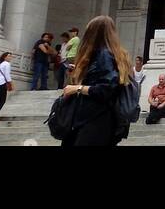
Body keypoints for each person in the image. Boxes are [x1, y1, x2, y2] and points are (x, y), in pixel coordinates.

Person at [60, 14, 132, 147]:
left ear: (94, 33)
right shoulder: (110, 54)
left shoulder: (103, 54)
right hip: (98, 119)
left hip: (94, 120)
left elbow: (105, 89)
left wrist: (77, 88)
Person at [133, 57, 147, 122]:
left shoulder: (144, 69)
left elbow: (144, 78)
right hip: (134, 84)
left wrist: (139, 84)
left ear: (141, 62)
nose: (136, 62)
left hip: (141, 84)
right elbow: (132, 77)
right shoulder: (133, 69)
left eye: (138, 61)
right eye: (136, 60)